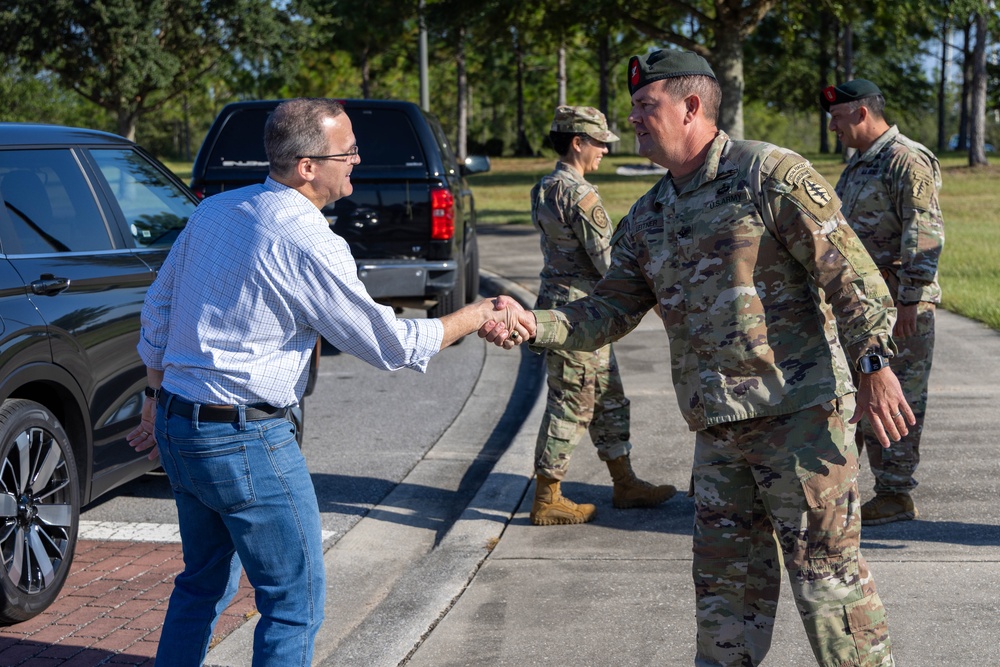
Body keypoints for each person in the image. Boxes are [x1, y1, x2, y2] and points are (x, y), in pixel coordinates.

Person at [484, 50, 914, 667]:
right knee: (723, 600)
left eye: (643, 105)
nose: (630, 119)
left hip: (802, 421)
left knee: (830, 592)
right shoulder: (650, 214)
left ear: (691, 106)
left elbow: (853, 278)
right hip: (717, 435)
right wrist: (532, 324)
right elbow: (605, 312)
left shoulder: (767, 173)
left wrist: (875, 367)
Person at [126, 98, 521, 666]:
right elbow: (391, 345)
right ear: (307, 166)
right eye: (349, 152)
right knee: (293, 603)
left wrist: (152, 398)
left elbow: (158, 312)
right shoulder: (306, 238)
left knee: (200, 585)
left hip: (180, 423)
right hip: (245, 439)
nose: (359, 161)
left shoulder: (216, 210)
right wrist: (479, 314)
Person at [528, 105, 676, 526]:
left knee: (608, 395)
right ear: (578, 143)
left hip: (565, 306)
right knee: (571, 400)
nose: (605, 152)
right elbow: (609, 260)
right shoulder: (580, 194)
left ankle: (624, 481)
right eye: (599, 143)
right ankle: (547, 496)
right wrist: (657, 292)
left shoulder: (545, 187)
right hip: (581, 315)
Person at [824, 79, 945, 526]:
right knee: (855, 394)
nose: (832, 125)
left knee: (899, 396)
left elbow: (924, 232)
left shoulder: (905, 159)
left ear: (861, 113)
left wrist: (911, 299)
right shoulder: (858, 164)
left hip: (900, 307)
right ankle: (846, 486)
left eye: (838, 116)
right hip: (865, 308)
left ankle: (895, 493)